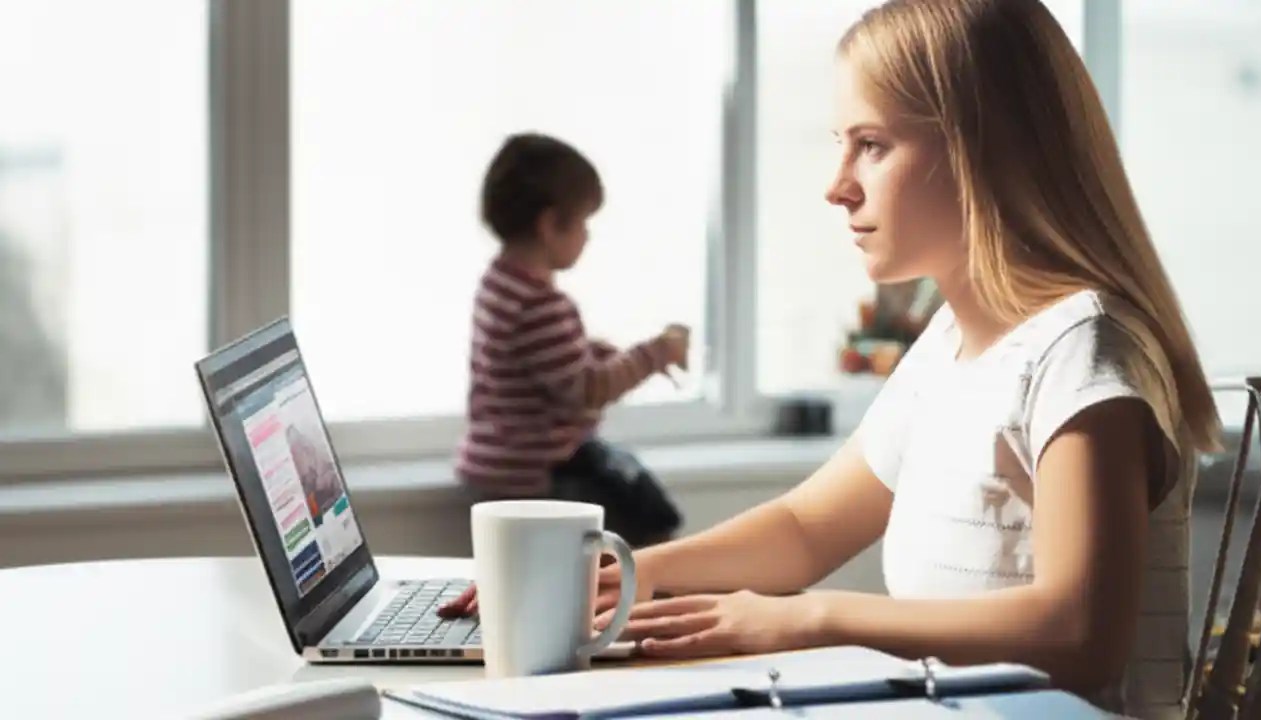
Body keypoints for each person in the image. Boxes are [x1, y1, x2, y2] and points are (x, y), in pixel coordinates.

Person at [445, 2, 1221, 716]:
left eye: (872, 145)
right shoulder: (953, 341)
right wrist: (626, 577)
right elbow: (805, 526)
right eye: (839, 145)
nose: (836, 186)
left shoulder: (1083, 352)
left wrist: (805, 622)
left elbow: (1079, 634)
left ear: (985, 152)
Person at [456, 132, 688, 547]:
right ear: (550, 225)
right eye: (583, 222)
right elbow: (586, 390)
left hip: (497, 467)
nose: (588, 236)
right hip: (538, 477)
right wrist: (655, 354)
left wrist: (596, 353)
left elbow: (540, 364)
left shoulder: (499, 283)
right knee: (649, 527)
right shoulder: (542, 303)